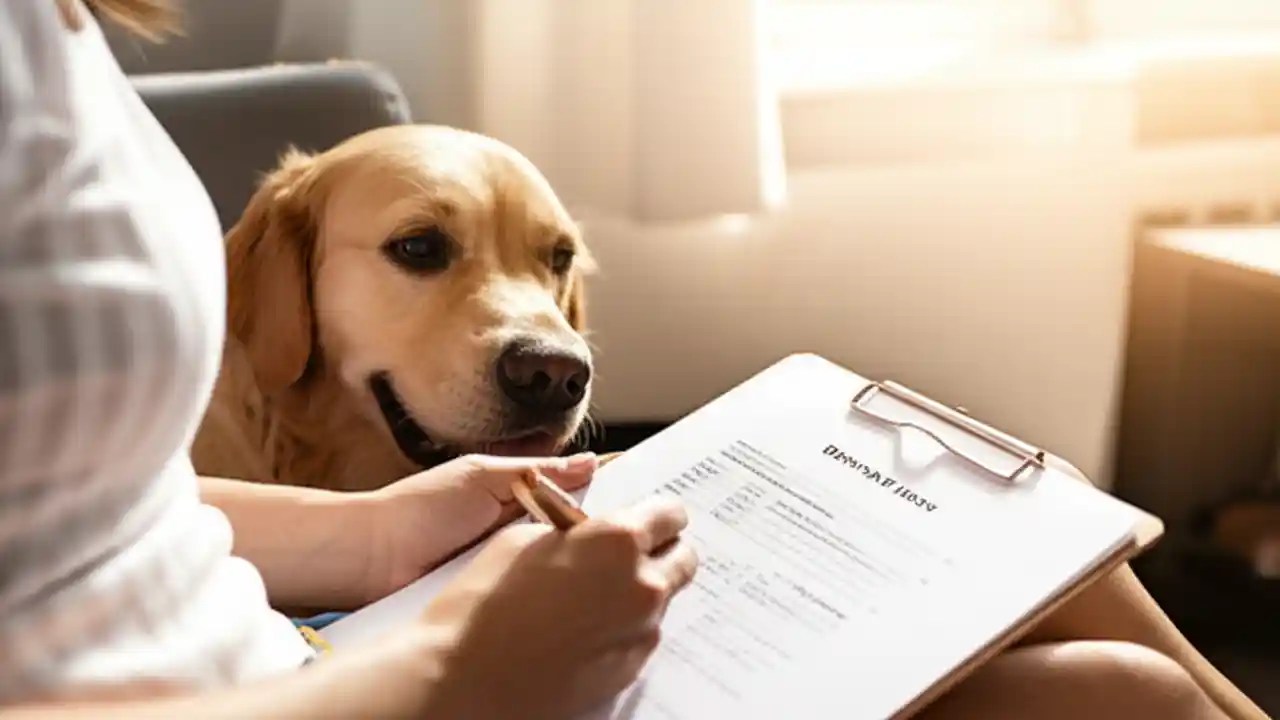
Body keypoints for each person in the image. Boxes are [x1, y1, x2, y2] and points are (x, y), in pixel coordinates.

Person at [0, 1, 1265, 719]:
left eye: (553, 267)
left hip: (321, 645)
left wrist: (375, 538)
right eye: (422, 250)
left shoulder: (62, 29)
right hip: (362, 688)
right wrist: (454, 680)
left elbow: (78, 519)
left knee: (1024, 521)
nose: (548, 343)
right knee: (1120, 700)